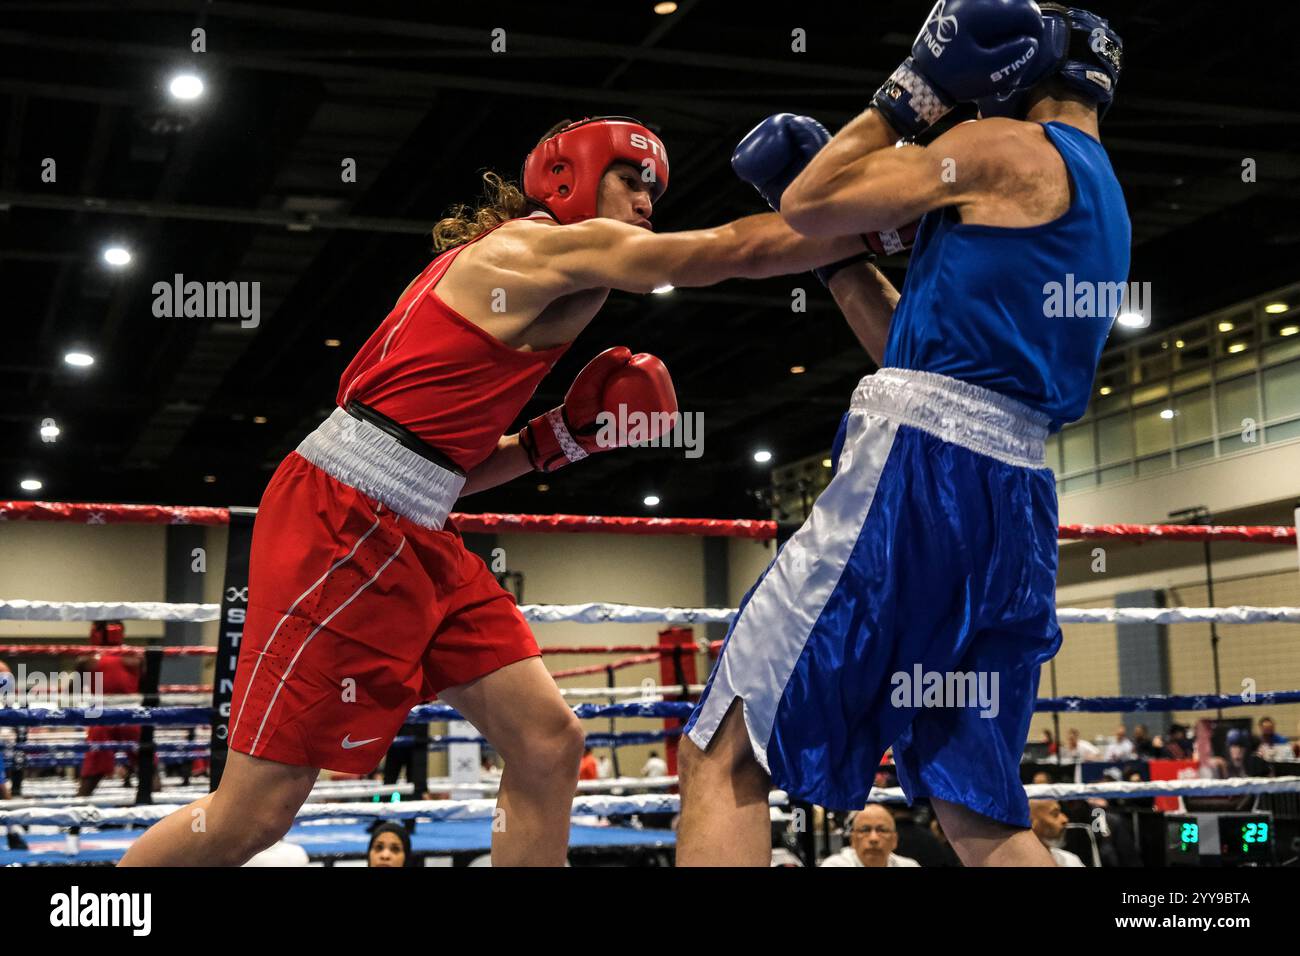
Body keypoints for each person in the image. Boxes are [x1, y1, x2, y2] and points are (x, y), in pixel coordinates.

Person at [120, 116, 862, 868]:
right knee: (256, 810)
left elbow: (439, 471)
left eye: (653, 189)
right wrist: (859, 221)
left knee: (547, 743)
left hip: (415, 520)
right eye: (630, 180)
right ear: (568, 177)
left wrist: (559, 439)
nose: (646, 200)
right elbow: (716, 254)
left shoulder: (551, 273)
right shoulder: (531, 247)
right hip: (341, 521)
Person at [677, 0, 1127, 867]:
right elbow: (917, 353)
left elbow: (811, 201)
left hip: (916, 479)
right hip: (1012, 506)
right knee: (977, 806)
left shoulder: (1005, 148)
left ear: (1017, 64)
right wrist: (848, 260)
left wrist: (910, 92)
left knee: (724, 750)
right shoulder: (1103, 200)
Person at [77, 622, 148, 797]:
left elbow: (73, 690)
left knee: (92, 773)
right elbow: (146, 688)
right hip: (131, 716)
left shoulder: (86, 660)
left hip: (103, 717)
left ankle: (73, 823)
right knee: (147, 768)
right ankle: (162, 819)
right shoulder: (136, 657)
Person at [819, 805, 920, 868]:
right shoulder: (834, 865)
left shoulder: (910, 865)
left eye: (882, 830)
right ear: (852, 839)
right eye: (865, 830)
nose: (873, 838)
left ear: (894, 840)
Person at [1029, 800, 1085, 867]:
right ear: (1030, 822)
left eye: (1061, 812)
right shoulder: (1017, 862)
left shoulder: (1070, 860)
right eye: (1055, 814)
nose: (1065, 819)